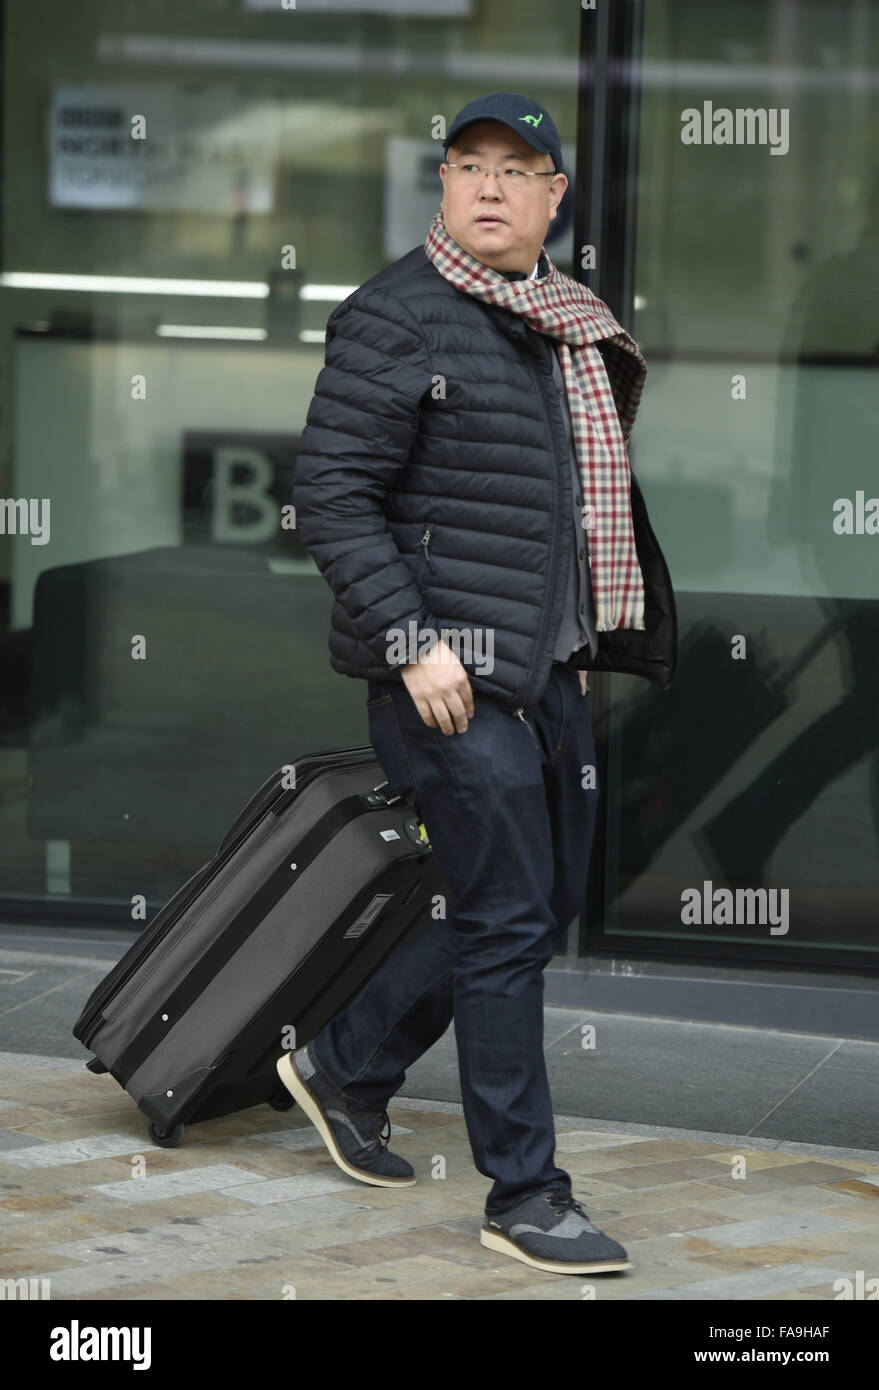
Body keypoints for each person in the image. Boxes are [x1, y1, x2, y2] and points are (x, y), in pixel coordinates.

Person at [282, 91, 676, 1277]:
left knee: (526, 906)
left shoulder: (561, 321)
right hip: (442, 678)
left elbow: (556, 512)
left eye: (518, 168)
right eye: (468, 165)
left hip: (538, 670)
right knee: (507, 918)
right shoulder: (401, 316)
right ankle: (527, 1193)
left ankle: (346, 1066)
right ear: (443, 185)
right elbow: (334, 501)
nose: (491, 185)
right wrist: (415, 641)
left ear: (557, 195)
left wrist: (576, 644)